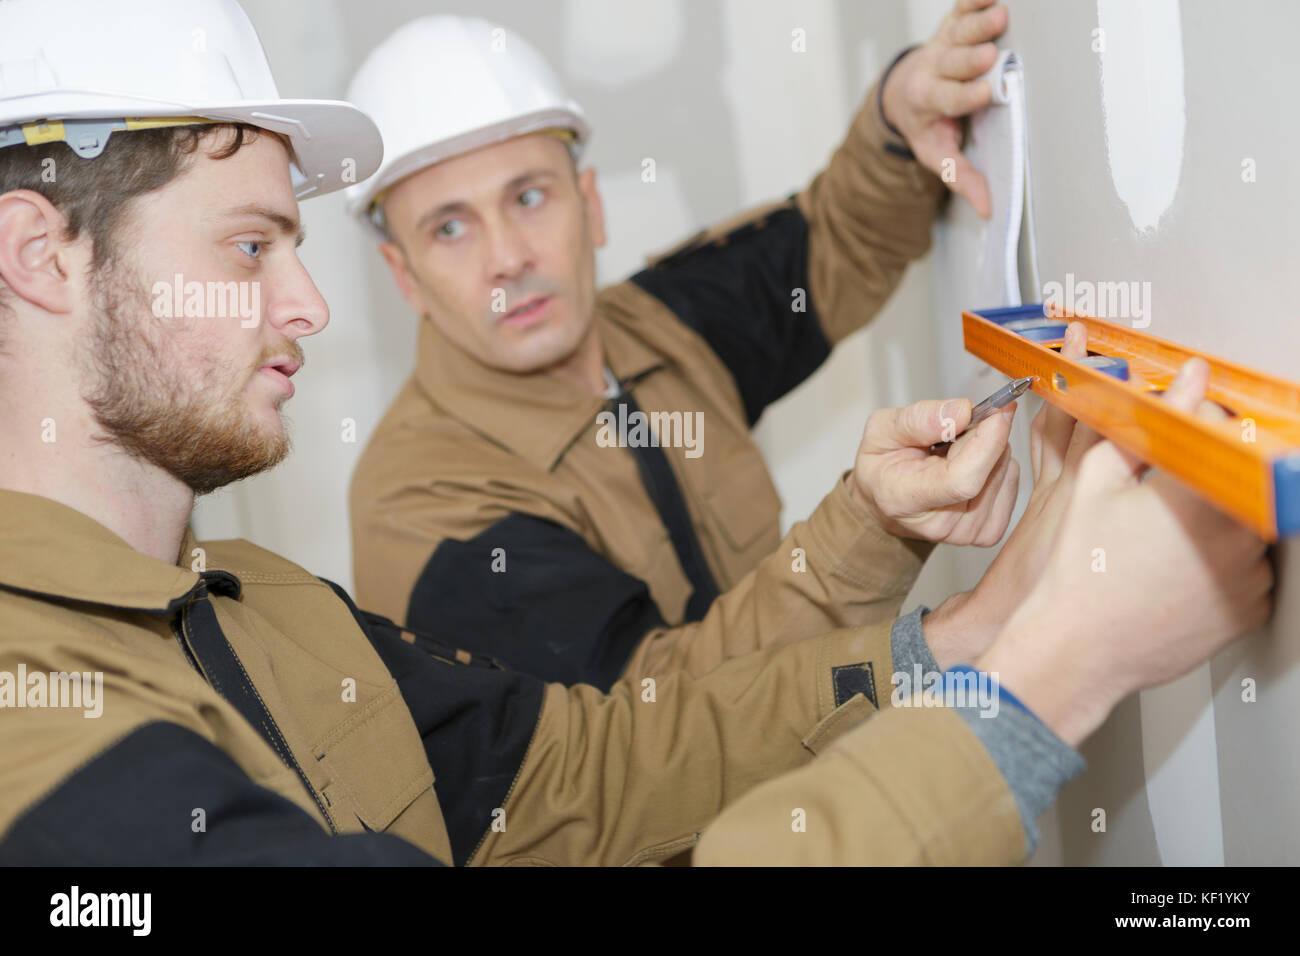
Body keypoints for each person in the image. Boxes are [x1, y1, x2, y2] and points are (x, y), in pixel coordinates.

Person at [0, 0, 1271, 867]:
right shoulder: (48, 743)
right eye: (246, 245)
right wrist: (1044, 680)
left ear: (586, 199)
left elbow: (590, 765)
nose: (307, 305)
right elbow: (641, 706)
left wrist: (980, 626)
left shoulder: (270, 607)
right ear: (38, 258)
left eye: (531, 195)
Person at [345, 4, 1019, 687]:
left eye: (527, 196)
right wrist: (873, 523)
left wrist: (898, 117)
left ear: (590, 205)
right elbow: (653, 725)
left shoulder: (657, 325)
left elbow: (836, 239)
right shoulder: (424, 508)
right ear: (407, 278)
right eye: (450, 229)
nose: (508, 258)